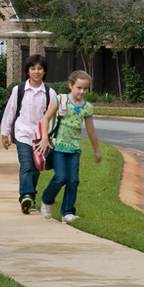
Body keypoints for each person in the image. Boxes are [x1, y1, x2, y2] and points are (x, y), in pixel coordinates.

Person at [36, 70, 102, 224]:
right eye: (79, 88)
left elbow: (91, 131)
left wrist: (97, 151)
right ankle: (47, 199)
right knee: (60, 177)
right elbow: (45, 119)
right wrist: (45, 138)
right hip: (58, 147)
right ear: (70, 86)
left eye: (85, 88)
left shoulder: (87, 107)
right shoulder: (61, 100)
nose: (82, 91)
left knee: (73, 180)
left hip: (74, 149)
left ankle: (67, 212)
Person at [0, 54, 56, 214]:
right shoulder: (19, 90)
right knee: (26, 165)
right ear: (28, 71)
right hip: (22, 133)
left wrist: (49, 138)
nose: (36, 72)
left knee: (36, 168)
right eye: (33, 69)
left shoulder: (49, 93)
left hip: (41, 137)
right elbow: (10, 112)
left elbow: (52, 118)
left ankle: (30, 198)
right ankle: (27, 196)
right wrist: (4, 134)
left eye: (39, 69)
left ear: (44, 71)